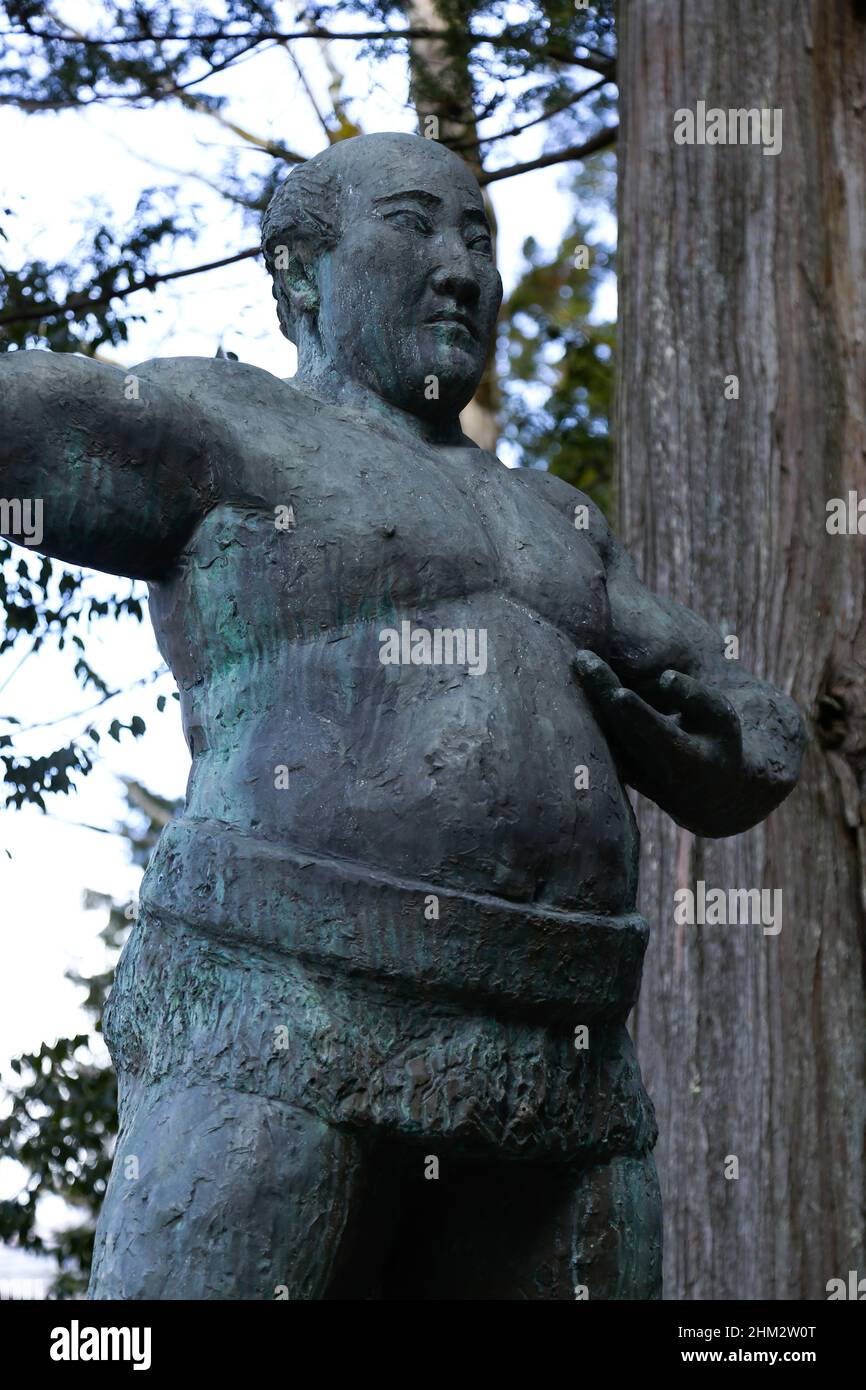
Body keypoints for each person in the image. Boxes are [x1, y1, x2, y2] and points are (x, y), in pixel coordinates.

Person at [0, 132, 804, 1299]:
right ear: (297, 275)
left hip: (562, 1048)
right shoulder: (231, 425)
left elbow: (738, 697)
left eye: (480, 237)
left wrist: (739, 748)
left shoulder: (550, 516)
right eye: (415, 225)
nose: (461, 267)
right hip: (279, 1005)